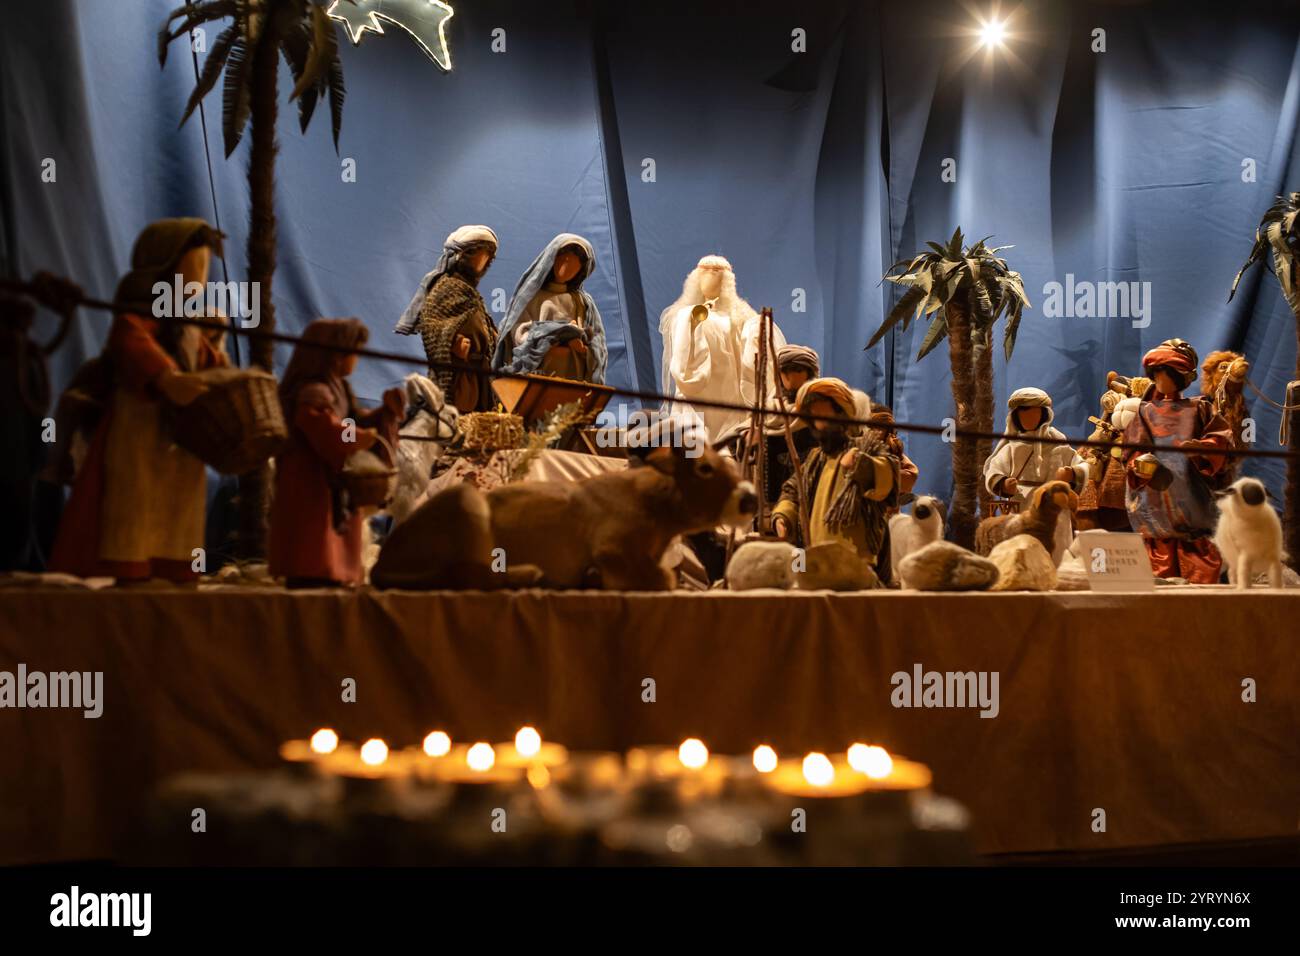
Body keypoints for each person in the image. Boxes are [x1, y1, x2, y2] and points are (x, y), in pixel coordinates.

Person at [49, 218, 228, 583]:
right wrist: (166, 376)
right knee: (134, 499)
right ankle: (127, 567)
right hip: (140, 426)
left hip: (182, 437)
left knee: (178, 504)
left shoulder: (189, 323)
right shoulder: (140, 316)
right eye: (195, 265)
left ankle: (172, 564)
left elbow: (208, 362)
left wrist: (220, 366)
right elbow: (133, 342)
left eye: (203, 268)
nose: (200, 277)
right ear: (166, 265)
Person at [270, 318, 404, 588]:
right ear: (336, 354)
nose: (357, 359)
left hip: (330, 478)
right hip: (310, 480)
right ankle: (312, 578)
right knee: (313, 546)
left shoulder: (338, 387)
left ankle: (332, 576)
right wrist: (357, 438)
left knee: (334, 543)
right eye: (354, 352)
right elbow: (325, 428)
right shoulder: (313, 391)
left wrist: (382, 414)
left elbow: (352, 420)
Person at [1123, 339, 1233, 582]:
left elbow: (1221, 439)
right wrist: (1139, 465)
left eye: (1167, 374)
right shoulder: (1145, 411)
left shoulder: (1200, 408)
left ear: (1180, 377)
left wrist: (1202, 448)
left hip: (1190, 491)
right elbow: (1131, 449)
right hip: (1156, 492)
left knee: (1197, 556)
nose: (1161, 380)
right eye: (1157, 374)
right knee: (1158, 560)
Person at [770, 377, 900, 568]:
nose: (820, 423)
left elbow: (887, 477)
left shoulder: (864, 448)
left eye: (824, 414)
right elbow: (793, 490)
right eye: (814, 417)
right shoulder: (815, 458)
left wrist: (861, 465)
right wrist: (783, 516)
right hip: (815, 556)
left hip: (855, 558)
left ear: (841, 414)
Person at [394, 225, 499, 412]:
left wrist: (491, 335)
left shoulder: (469, 291)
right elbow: (430, 324)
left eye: (488, 256)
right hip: (458, 374)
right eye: (481, 254)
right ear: (463, 255)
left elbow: (474, 320)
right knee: (454, 420)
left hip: (478, 373)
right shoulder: (447, 287)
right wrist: (453, 341)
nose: (484, 260)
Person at [658, 255, 758, 441]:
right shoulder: (686, 315)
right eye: (705, 273)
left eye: (716, 274)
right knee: (694, 440)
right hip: (697, 392)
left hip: (727, 388)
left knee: (725, 438)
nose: (711, 277)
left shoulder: (737, 317)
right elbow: (682, 357)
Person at [983, 387, 1086, 562]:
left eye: (1034, 413)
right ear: (1015, 417)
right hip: (1023, 503)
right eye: (1023, 414)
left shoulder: (1058, 443)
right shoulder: (1011, 447)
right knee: (1024, 545)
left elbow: (1081, 465)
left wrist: (1072, 473)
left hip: (1054, 505)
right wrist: (1004, 483)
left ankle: (1058, 573)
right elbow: (994, 469)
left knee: (1056, 544)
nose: (1028, 419)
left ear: (1044, 415)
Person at [494, 234, 606, 383]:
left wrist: (586, 349)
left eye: (575, 263)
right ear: (551, 260)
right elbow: (518, 331)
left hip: (572, 372)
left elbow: (596, 339)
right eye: (563, 259)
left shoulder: (582, 302)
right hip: (541, 370)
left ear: (581, 269)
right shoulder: (531, 297)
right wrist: (554, 336)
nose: (566, 266)